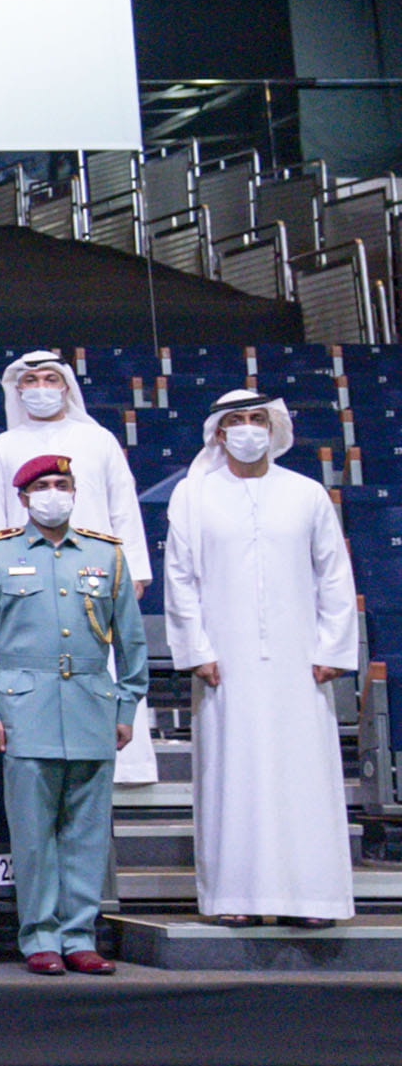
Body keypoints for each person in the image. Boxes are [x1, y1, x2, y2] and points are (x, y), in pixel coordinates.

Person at [163, 390, 360, 927]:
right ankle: (235, 898)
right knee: (233, 774)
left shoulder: (307, 492)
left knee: (304, 776)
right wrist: (196, 649)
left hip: (301, 662)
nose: (248, 429)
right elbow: (180, 577)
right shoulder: (193, 495)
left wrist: (333, 647)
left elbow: (334, 575)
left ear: (274, 428)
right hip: (225, 663)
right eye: (236, 421)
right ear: (218, 433)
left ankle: (311, 900)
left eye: (257, 419)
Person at [0, 455, 144, 973]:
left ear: (74, 491)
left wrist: (128, 703)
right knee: (33, 831)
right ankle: (40, 935)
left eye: (61, 484)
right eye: (41, 486)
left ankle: (80, 934)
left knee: (87, 831)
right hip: (25, 704)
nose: (52, 493)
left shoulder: (107, 556)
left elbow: (130, 638)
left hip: (91, 701)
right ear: (23, 498)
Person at [0, 350, 155, 782]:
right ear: (18, 389)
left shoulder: (99, 440)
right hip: (27, 580)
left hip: (97, 575)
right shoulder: (1, 447)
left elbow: (124, 504)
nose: (41, 388)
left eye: (50, 379)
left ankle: (123, 764)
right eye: (31, 380)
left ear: (66, 385)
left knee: (103, 663)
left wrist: (134, 568)